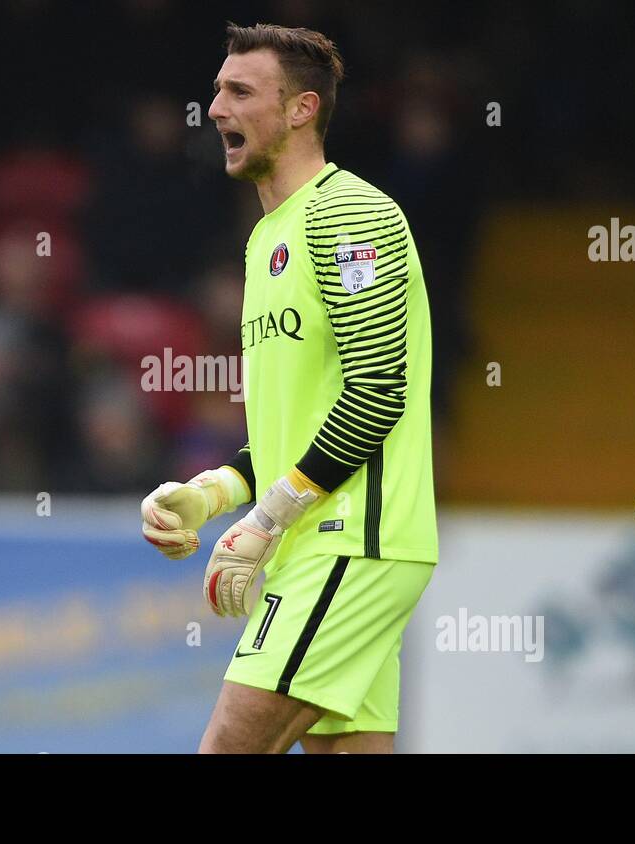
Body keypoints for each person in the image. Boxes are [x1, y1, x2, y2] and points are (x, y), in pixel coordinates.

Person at [140, 24, 438, 753]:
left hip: (352, 545)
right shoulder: (266, 237)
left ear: (303, 109)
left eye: (239, 91)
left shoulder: (350, 214)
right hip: (321, 548)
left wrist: (269, 516)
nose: (214, 109)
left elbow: (376, 393)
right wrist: (212, 493)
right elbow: (293, 423)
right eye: (216, 90)